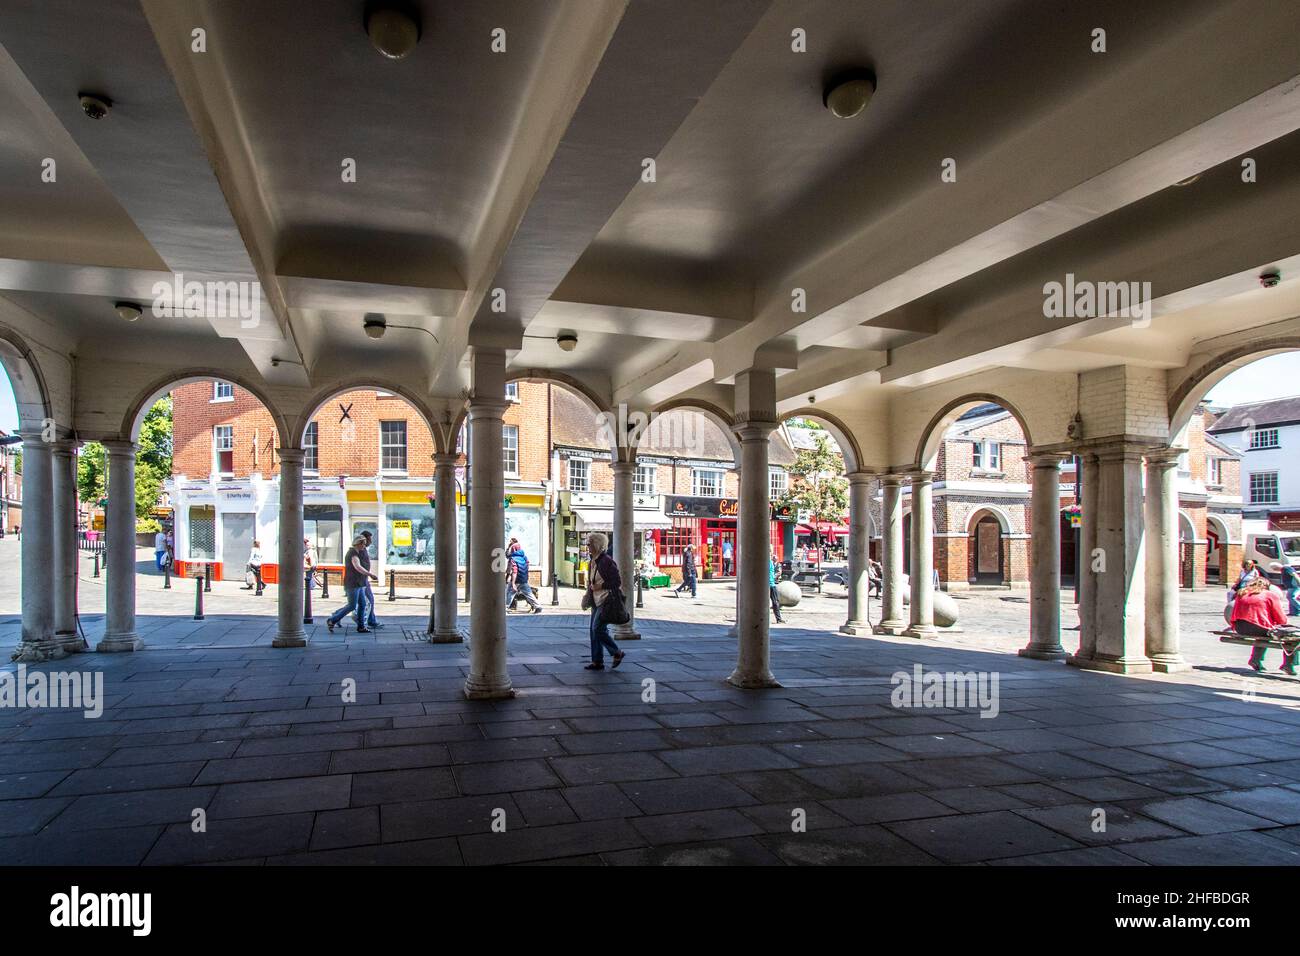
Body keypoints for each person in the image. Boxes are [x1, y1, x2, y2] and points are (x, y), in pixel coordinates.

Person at [1232, 576, 1296, 675]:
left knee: (1263, 635)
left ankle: (1255, 660)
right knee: (1291, 637)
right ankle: (1288, 665)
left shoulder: (1242, 593)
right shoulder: (1269, 595)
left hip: (1240, 627)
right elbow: (1281, 619)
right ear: (1267, 586)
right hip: (1258, 627)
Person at [584, 532, 625, 670]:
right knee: (593, 630)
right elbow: (592, 582)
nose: (587, 546)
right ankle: (597, 661)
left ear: (597, 545)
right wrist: (588, 594)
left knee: (597, 629)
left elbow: (616, 581)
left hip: (606, 600)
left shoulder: (606, 561)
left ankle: (616, 652)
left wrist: (600, 586)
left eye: (589, 544)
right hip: (596, 600)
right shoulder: (592, 561)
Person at [327, 535, 378, 633]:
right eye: (363, 544)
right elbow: (357, 567)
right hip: (352, 583)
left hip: (360, 583)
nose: (364, 546)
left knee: (362, 604)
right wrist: (370, 574)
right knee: (352, 605)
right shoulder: (352, 553)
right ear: (358, 544)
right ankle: (332, 620)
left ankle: (361, 626)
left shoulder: (358, 552)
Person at [506, 542, 542, 613]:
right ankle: (538, 606)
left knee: (509, 593)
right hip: (523, 579)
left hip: (516, 580)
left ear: (513, 549)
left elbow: (514, 571)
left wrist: (513, 583)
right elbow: (527, 567)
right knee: (529, 594)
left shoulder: (512, 559)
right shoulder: (524, 557)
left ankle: (505, 608)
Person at [357, 530, 383, 629]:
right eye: (369, 539)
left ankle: (336, 616)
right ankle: (371, 621)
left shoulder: (363, 549)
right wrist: (370, 574)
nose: (371, 541)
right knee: (369, 599)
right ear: (365, 539)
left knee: (355, 603)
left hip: (363, 578)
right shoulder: (360, 550)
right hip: (361, 579)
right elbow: (358, 566)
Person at [769, 552, 784, 623]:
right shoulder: (769, 562)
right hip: (771, 584)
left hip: (767, 584)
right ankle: (778, 619)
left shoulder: (769, 562)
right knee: (775, 601)